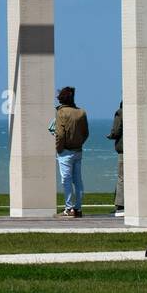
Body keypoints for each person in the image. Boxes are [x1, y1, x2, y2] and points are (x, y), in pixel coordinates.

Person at [50, 86, 89, 218]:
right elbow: (85, 133)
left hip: (65, 152)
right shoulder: (81, 112)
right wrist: (78, 143)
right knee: (78, 181)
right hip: (78, 150)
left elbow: (59, 134)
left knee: (66, 180)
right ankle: (78, 208)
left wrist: (59, 148)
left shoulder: (61, 113)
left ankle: (69, 208)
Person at [106, 101, 123, 218]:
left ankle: (121, 205)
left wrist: (111, 135)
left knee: (122, 177)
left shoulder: (120, 113)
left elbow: (116, 131)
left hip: (124, 149)